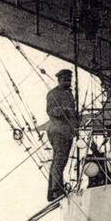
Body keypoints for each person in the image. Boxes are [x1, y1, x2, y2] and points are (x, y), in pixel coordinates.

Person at [45, 69, 79, 201]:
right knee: (59, 160)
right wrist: (65, 111)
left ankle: (54, 188)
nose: (67, 81)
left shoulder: (69, 94)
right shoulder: (53, 93)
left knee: (61, 160)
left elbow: (72, 114)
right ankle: (55, 189)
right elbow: (51, 110)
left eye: (69, 79)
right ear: (59, 80)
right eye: (65, 79)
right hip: (58, 131)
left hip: (68, 132)